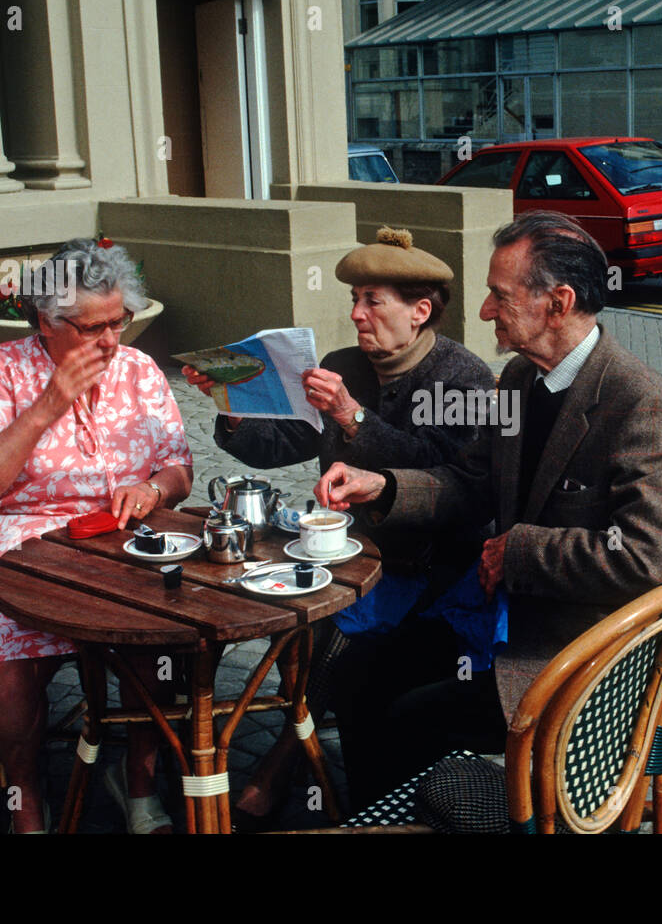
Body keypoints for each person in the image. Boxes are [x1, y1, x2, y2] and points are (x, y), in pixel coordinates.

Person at [315, 210, 662, 809]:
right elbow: (469, 482)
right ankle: (380, 817)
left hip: (581, 656)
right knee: (358, 674)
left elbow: (649, 557)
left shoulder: (638, 402)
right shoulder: (520, 379)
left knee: (411, 715)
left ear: (557, 302)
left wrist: (518, 550)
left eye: (499, 295)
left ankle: (418, 812)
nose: (486, 311)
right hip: (503, 626)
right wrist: (381, 486)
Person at [182, 226, 494, 826]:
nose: (355, 314)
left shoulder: (465, 379)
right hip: (342, 553)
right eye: (354, 299)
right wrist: (230, 403)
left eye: (372, 301)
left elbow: (453, 484)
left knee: (333, 645)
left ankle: (285, 765)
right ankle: (297, 753)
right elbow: (282, 443)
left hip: (432, 568)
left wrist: (353, 416)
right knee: (279, 613)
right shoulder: (342, 363)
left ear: (420, 311)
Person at [0, 238, 194, 833]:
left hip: (113, 535)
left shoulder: (139, 370)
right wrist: (50, 403)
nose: (111, 341)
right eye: (91, 328)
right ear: (44, 323)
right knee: (3, 659)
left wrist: (154, 491)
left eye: (118, 322)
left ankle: (135, 782)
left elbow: (179, 469)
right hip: (3, 541)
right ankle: (26, 795)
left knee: (157, 636)